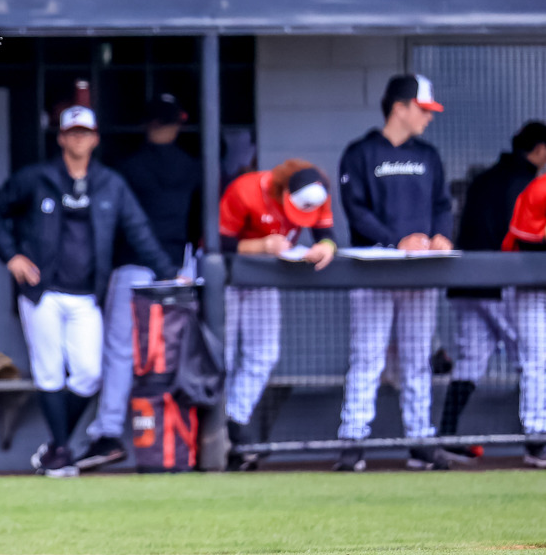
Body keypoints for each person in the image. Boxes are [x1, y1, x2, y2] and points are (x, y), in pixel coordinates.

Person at [0, 106, 178, 478]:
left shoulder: (110, 184)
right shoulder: (37, 178)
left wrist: (170, 274)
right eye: (72, 132)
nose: (78, 138)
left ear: (95, 138)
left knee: (89, 373)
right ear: (61, 138)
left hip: (87, 294)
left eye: (85, 132)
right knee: (50, 373)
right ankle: (63, 455)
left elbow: (139, 231)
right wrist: (12, 257)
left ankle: (57, 447)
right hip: (42, 291)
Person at [336, 74, 454, 472]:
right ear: (399, 107)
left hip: (419, 274)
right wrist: (395, 240)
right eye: (423, 110)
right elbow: (356, 210)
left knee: (418, 359)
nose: (428, 118)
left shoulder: (429, 155)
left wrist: (441, 237)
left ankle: (420, 440)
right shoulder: (360, 153)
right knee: (367, 358)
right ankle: (353, 442)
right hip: (373, 272)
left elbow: (442, 204)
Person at [80, 92, 201, 471]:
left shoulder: (125, 166)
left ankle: (109, 432)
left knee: (121, 352)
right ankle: (181, 434)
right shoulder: (193, 166)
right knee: (178, 352)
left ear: (149, 124)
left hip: (137, 268)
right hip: (180, 269)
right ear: (177, 123)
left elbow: (126, 228)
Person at [218, 160, 337, 469]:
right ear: (282, 190)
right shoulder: (245, 190)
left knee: (264, 354)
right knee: (223, 356)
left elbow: (326, 233)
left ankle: (235, 419)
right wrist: (261, 245)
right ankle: (216, 426)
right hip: (228, 279)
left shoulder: (318, 192)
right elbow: (218, 242)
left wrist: (326, 247)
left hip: (265, 278)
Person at [438, 122, 546, 455]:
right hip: (503, 285)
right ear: (539, 149)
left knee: (471, 361)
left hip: (468, 285)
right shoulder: (526, 182)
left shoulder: (486, 176)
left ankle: (447, 436)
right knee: (535, 360)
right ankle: (536, 439)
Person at [503, 162, 546, 468]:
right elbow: (528, 241)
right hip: (529, 286)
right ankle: (536, 436)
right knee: (537, 360)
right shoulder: (539, 188)